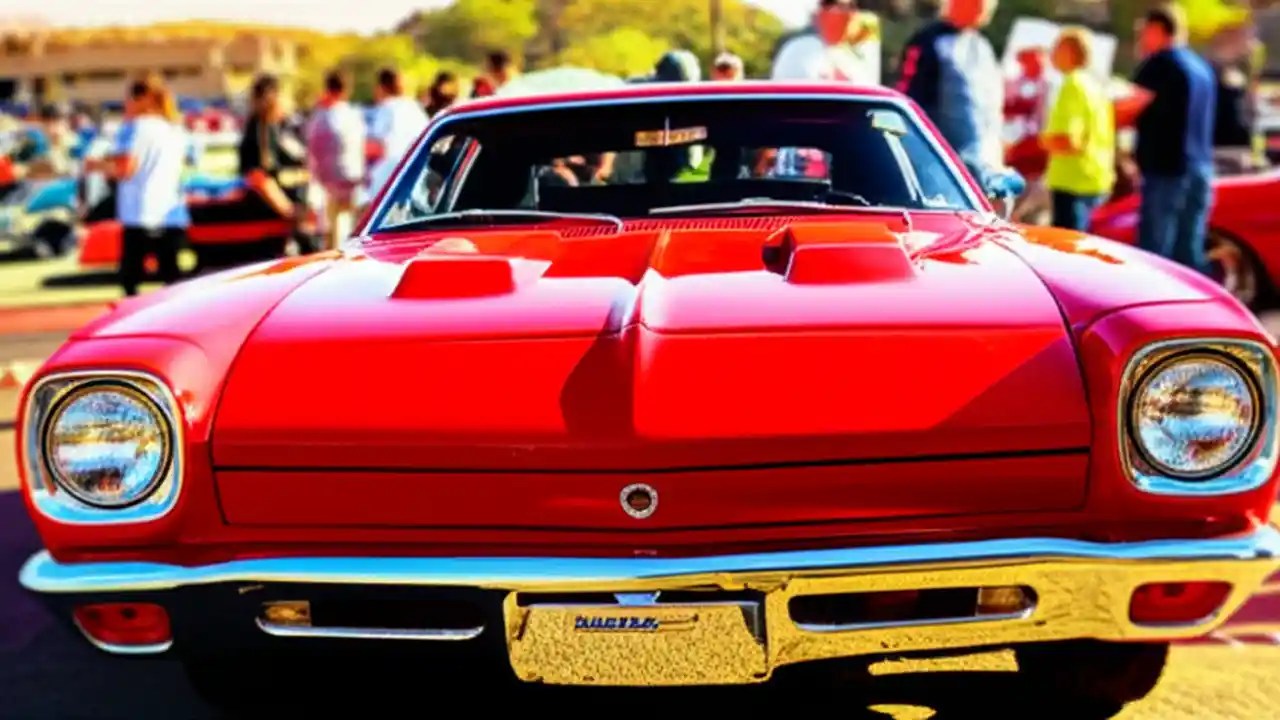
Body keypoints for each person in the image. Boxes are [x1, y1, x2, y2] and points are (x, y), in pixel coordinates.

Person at [1116, 5, 1217, 276]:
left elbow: (1128, 109)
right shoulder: (1202, 68)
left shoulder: (1159, 63)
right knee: (1190, 251)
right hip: (1201, 168)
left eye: (1143, 32)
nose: (1141, 39)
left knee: (1154, 252)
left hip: (1167, 169)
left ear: (1157, 29)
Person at [897, 0, 1004, 189]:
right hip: (939, 159)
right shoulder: (930, 41)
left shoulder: (982, 46)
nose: (983, 9)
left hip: (981, 162)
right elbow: (910, 95)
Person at [105, 75, 189, 296]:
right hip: (172, 213)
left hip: (140, 213)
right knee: (173, 281)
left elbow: (125, 168)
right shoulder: (174, 128)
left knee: (130, 282)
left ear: (142, 99)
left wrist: (96, 167)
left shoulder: (134, 128)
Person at [1040, 27, 1115, 232]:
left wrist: (1041, 141)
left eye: (1056, 48)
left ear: (1069, 51)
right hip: (1095, 178)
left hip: (1072, 182)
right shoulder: (1095, 85)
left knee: (1066, 252)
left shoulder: (1072, 84)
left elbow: (1068, 140)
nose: (1051, 54)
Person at [238, 73, 311, 266]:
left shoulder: (283, 127)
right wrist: (288, 210)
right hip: (273, 220)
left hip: (295, 216)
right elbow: (259, 176)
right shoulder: (260, 130)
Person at [304, 70, 366, 251]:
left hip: (328, 184)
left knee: (332, 238)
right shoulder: (353, 115)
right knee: (355, 236)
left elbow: (312, 153)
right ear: (346, 90)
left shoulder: (318, 118)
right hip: (353, 181)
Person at [772, 0, 879, 85]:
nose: (848, 14)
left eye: (851, 7)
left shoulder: (855, 54)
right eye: (835, 5)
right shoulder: (799, 48)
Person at [367, 67, 429, 202]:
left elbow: (377, 146)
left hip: (386, 181)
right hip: (415, 179)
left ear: (381, 87)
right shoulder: (415, 108)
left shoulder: (386, 109)